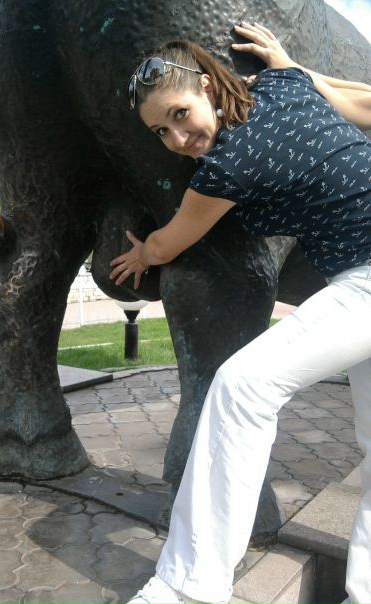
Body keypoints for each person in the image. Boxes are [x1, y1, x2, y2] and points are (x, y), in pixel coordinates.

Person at [110, 22, 371, 604]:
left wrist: (140, 254)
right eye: (161, 130)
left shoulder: (230, 165)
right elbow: (360, 103)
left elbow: (169, 243)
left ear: (207, 86)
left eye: (180, 114)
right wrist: (292, 65)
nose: (178, 138)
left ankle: (187, 588)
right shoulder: (282, 86)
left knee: (241, 387)